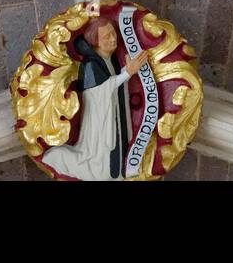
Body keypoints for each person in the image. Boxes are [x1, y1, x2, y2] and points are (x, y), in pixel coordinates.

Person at [41, 17, 151, 181]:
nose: (113, 39)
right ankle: (60, 159)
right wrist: (128, 72)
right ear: (95, 41)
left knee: (116, 152)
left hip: (114, 120)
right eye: (107, 36)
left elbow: (113, 83)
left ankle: (116, 173)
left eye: (114, 34)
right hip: (99, 124)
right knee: (100, 163)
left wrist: (126, 72)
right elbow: (101, 90)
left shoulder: (110, 60)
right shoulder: (91, 64)